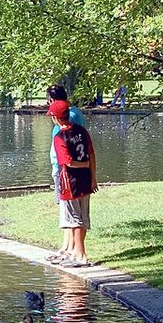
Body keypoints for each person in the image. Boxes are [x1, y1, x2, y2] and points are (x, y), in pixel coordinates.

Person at [47, 99, 97, 267]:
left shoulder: (60, 137)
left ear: (56, 118)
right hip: (85, 180)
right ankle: (77, 253)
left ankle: (81, 256)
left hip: (70, 183)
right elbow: (91, 154)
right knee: (83, 217)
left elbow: (68, 162)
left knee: (74, 220)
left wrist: (83, 165)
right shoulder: (82, 131)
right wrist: (92, 175)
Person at [46, 85, 86, 264]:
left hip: (65, 173)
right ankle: (67, 247)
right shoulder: (76, 114)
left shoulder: (64, 127)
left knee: (70, 213)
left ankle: (75, 252)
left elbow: (66, 156)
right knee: (71, 213)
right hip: (76, 172)